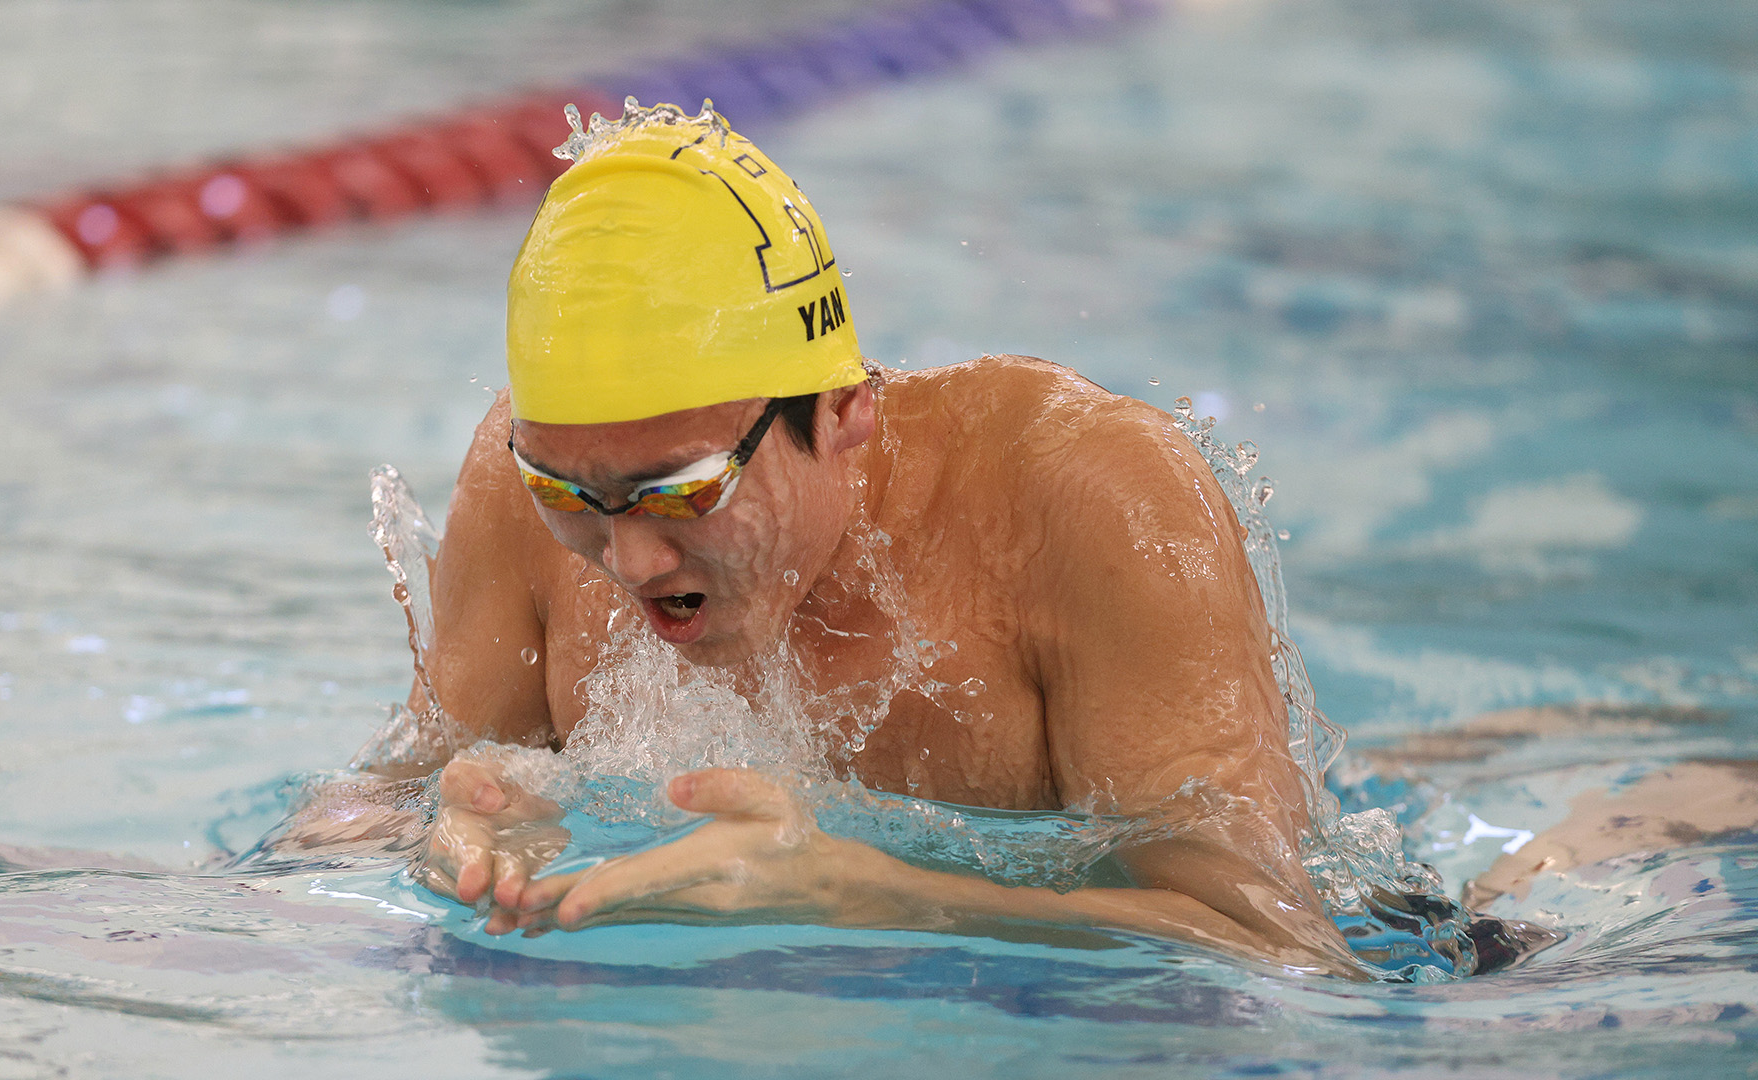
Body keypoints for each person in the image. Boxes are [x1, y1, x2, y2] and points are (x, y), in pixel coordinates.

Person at [334, 100, 1361, 975]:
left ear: (841, 414)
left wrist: (881, 896)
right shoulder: (512, 494)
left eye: (683, 490)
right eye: (569, 491)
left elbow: (1279, 946)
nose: (632, 562)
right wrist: (442, 833)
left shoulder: (1091, 503)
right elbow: (369, 808)